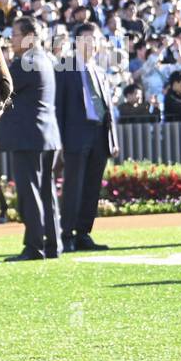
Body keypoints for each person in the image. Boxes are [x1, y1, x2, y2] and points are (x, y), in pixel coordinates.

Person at [0, 16, 63, 261]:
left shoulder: (24, 62)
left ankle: (35, 246)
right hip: (47, 135)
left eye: (15, 34)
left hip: (28, 137)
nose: (11, 39)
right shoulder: (44, 59)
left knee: (30, 193)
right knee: (46, 191)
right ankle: (53, 245)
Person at [56, 23, 118, 253]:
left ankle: (84, 233)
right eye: (87, 39)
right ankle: (66, 234)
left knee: (92, 187)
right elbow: (58, 106)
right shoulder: (65, 68)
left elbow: (107, 108)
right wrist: (59, 140)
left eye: (95, 40)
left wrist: (112, 139)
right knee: (73, 186)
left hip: (99, 136)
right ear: (77, 42)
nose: (92, 44)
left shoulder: (100, 71)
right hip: (75, 135)